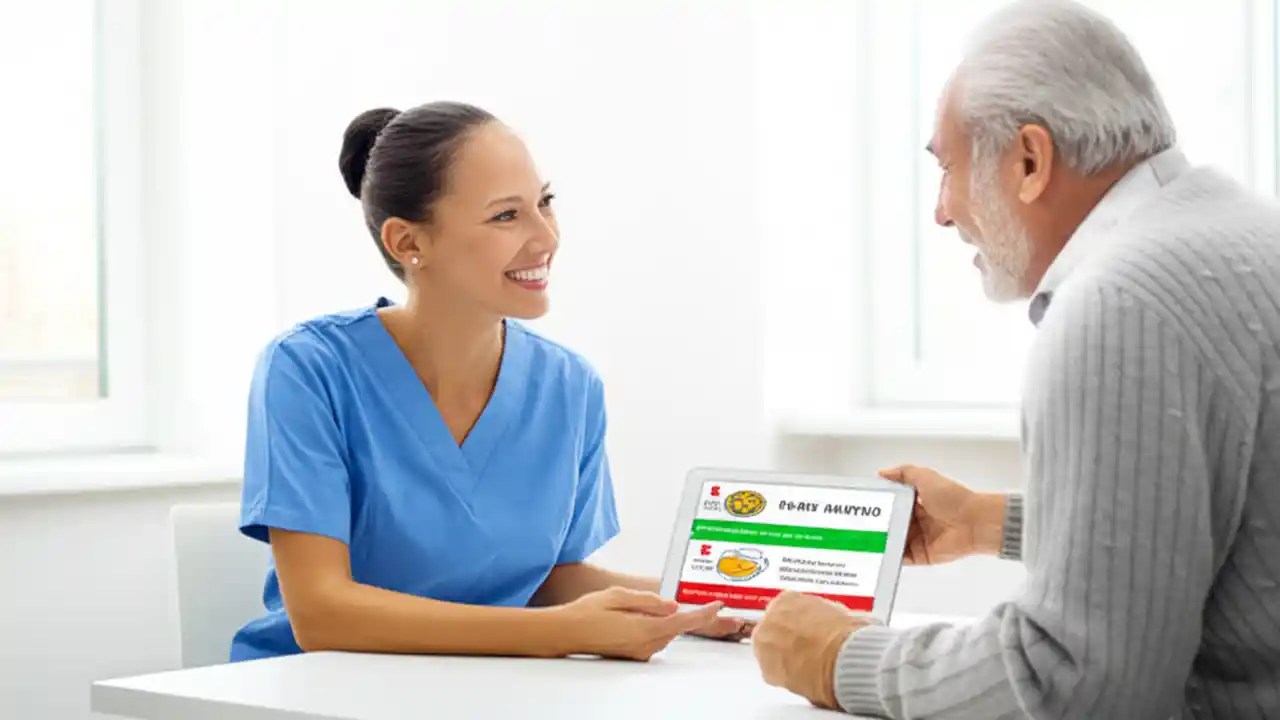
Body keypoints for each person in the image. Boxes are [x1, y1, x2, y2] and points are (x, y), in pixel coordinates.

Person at [751, 1, 1280, 717]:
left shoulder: (1116, 307)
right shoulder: (1237, 230)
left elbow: (1077, 686)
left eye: (949, 169)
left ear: (1030, 160)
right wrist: (983, 519)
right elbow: (1220, 531)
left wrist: (839, 658)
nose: (941, 211)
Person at [230, 101, 746, 662]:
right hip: (310, 695)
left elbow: (552, 581)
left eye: (545, 203)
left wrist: (716, 603)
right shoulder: (308, 369)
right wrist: (564, 634)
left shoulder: (568, 386)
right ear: (408, 243)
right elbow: (321, 614)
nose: (545, 237)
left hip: (487, 688)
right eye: (506, 216)